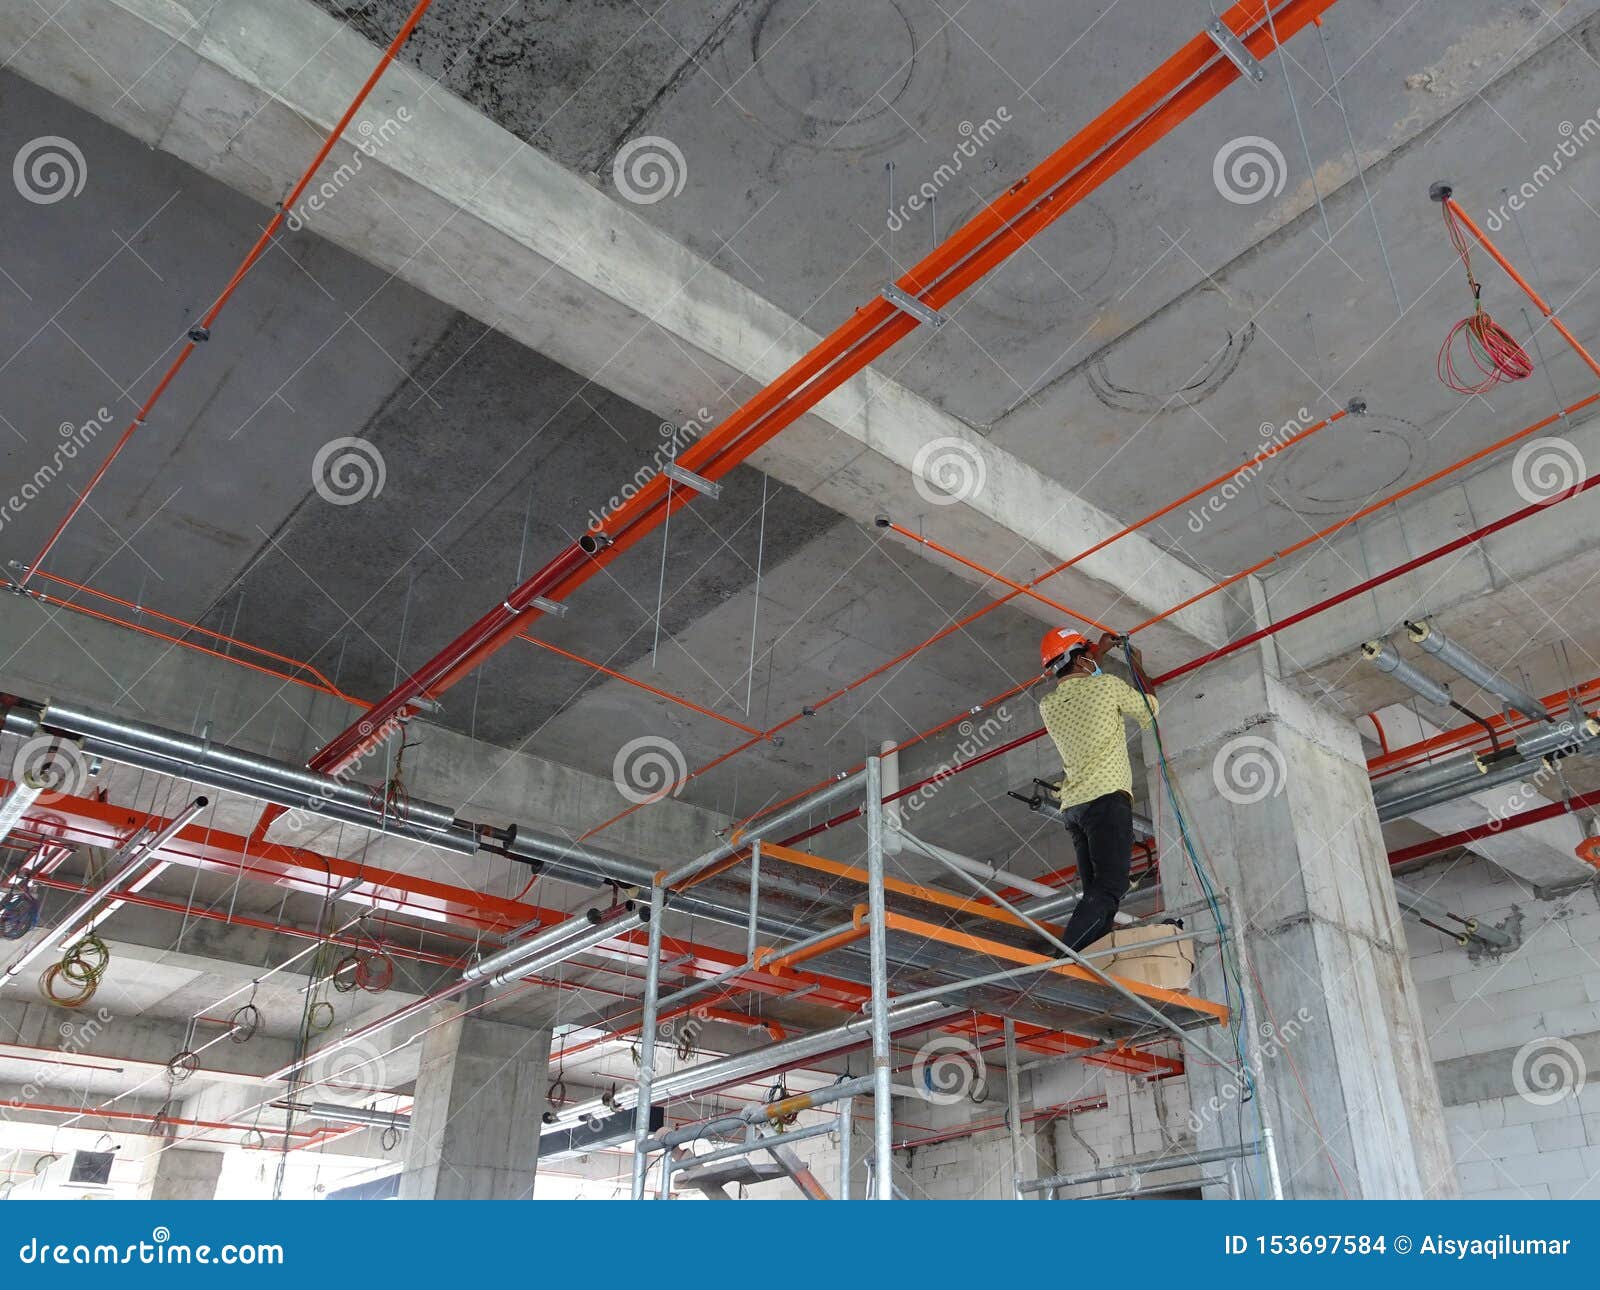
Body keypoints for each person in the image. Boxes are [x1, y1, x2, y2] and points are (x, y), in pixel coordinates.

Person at [1036, 627, 1157, 952]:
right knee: (1111, 886)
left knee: (1098, 894)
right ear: (1078, 658)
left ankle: (1087, 958)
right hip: (1105, 800)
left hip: (1076, 807)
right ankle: (1062, 957)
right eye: (1086, 652)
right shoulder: (1106, 686)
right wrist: (1136, 666)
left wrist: (1095, 654)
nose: (1093, 656)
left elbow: (1079, 680)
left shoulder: (1048, 705)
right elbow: (1150, 712)